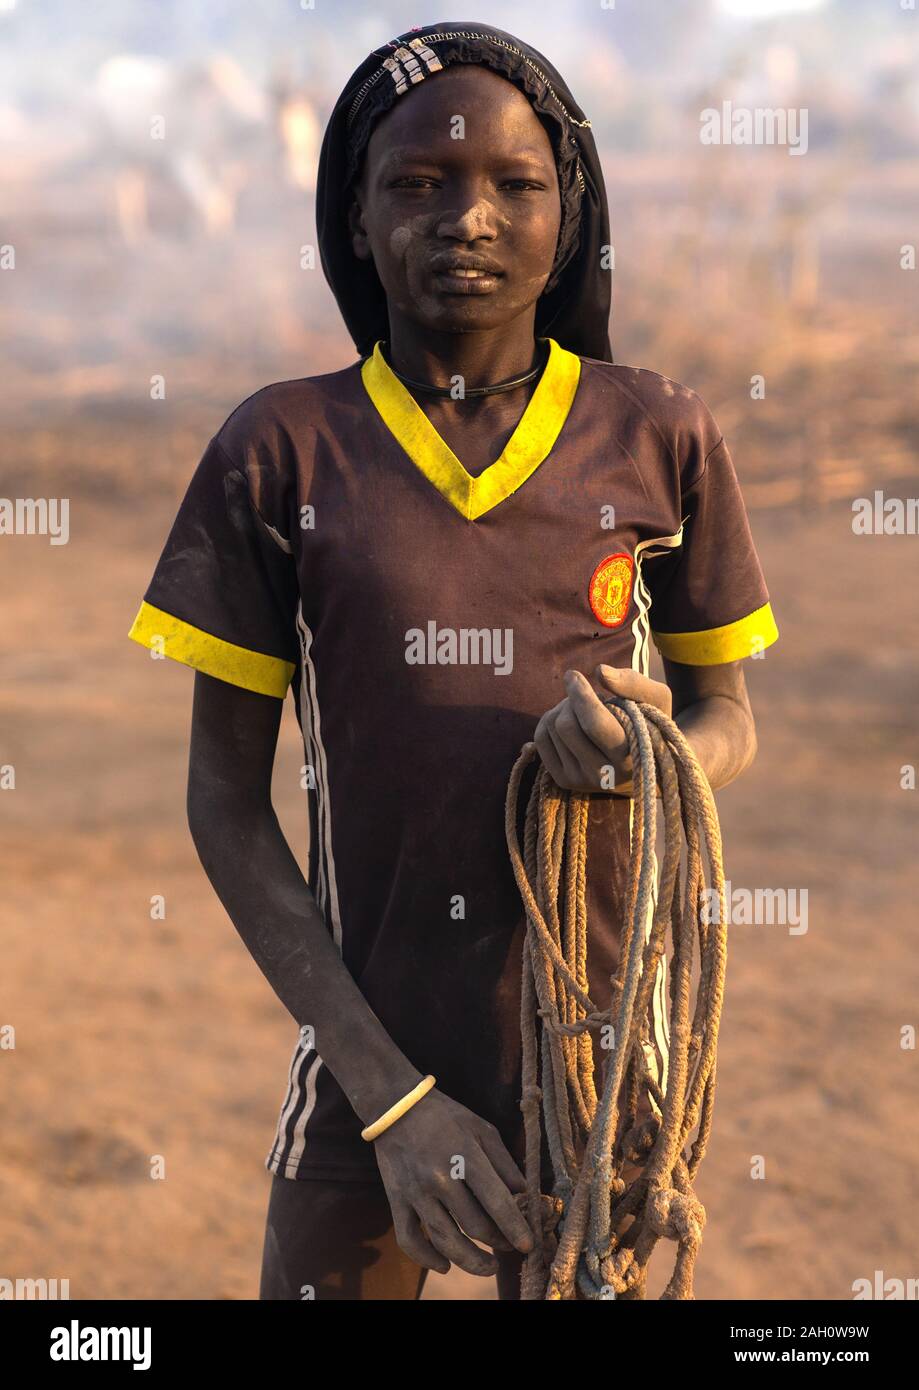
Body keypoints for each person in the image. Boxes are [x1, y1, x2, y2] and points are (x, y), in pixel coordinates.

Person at [128, 22, 778, 1301]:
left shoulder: (657, 433)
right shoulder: (281, 450)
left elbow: (728, 715)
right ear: (356, 217)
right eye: (418, 183)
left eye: (513, 184)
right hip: (366, 1060)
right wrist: (391, 1100)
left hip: (597, 1069)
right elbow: (224, 804)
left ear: (566, 211)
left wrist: (650, 756)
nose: (468, 218)